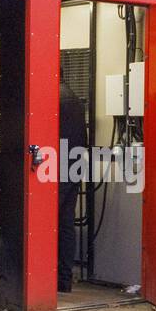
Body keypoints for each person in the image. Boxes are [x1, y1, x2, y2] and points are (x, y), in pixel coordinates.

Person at [58, 76, 88, 293]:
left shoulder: (53, 97)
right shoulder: (73, 97)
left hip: (55, 168)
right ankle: (64, 280)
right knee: (66, 224)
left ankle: (43, 282)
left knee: (46, 223)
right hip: (73, 165)